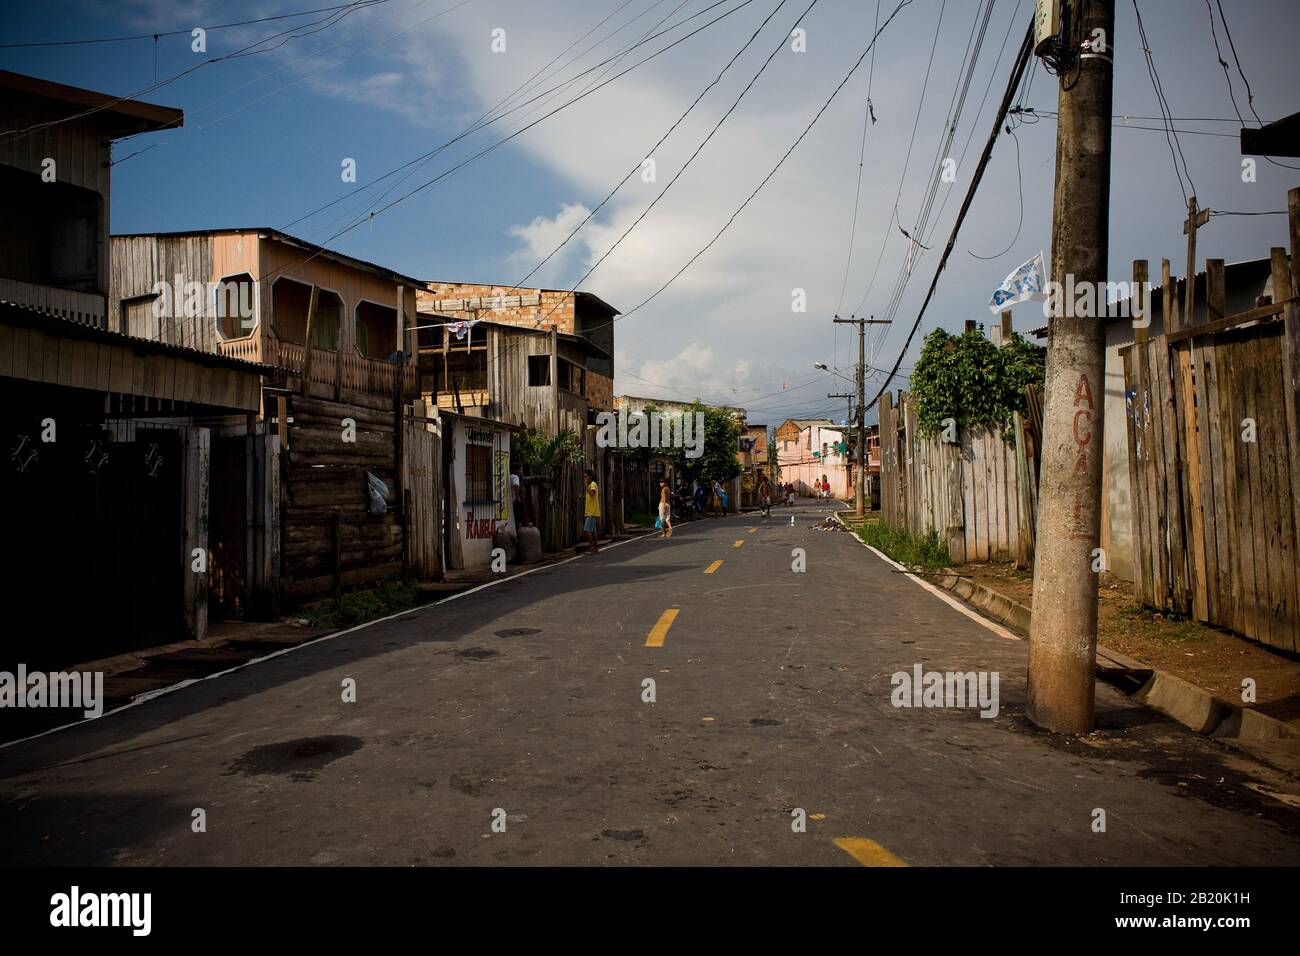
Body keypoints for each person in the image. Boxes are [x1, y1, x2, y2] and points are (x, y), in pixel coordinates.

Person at [582, 469, 601, 554]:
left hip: (591, 512)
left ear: (590, 476)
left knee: (587, 531)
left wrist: (586, 486)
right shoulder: (592, 485)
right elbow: (591, 497)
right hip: (593, 512)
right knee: (593, 531)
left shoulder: (592, 484)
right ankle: (596, 548)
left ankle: (592, 548)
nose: (584, 478)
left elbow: (592, 494)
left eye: (585, 476)